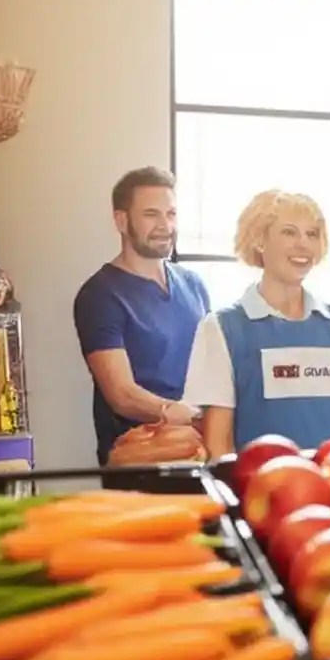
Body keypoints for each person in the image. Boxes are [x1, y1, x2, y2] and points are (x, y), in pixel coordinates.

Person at [181, 190, 330, 459]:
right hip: (266, 491)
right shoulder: (222, 328)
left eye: (312, 234)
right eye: (289, 232)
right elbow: (217, 444)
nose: (303, 244)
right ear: (259, 240)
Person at [73, 166, 209, 466]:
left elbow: (214, 366)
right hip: (138, 459)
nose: (165, 225)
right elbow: (121, 394)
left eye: (171, 214)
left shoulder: (194, 285)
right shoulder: (100, 295)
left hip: (198, 453)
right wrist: (171, 412)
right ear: (122, 221)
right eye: (151, 214)